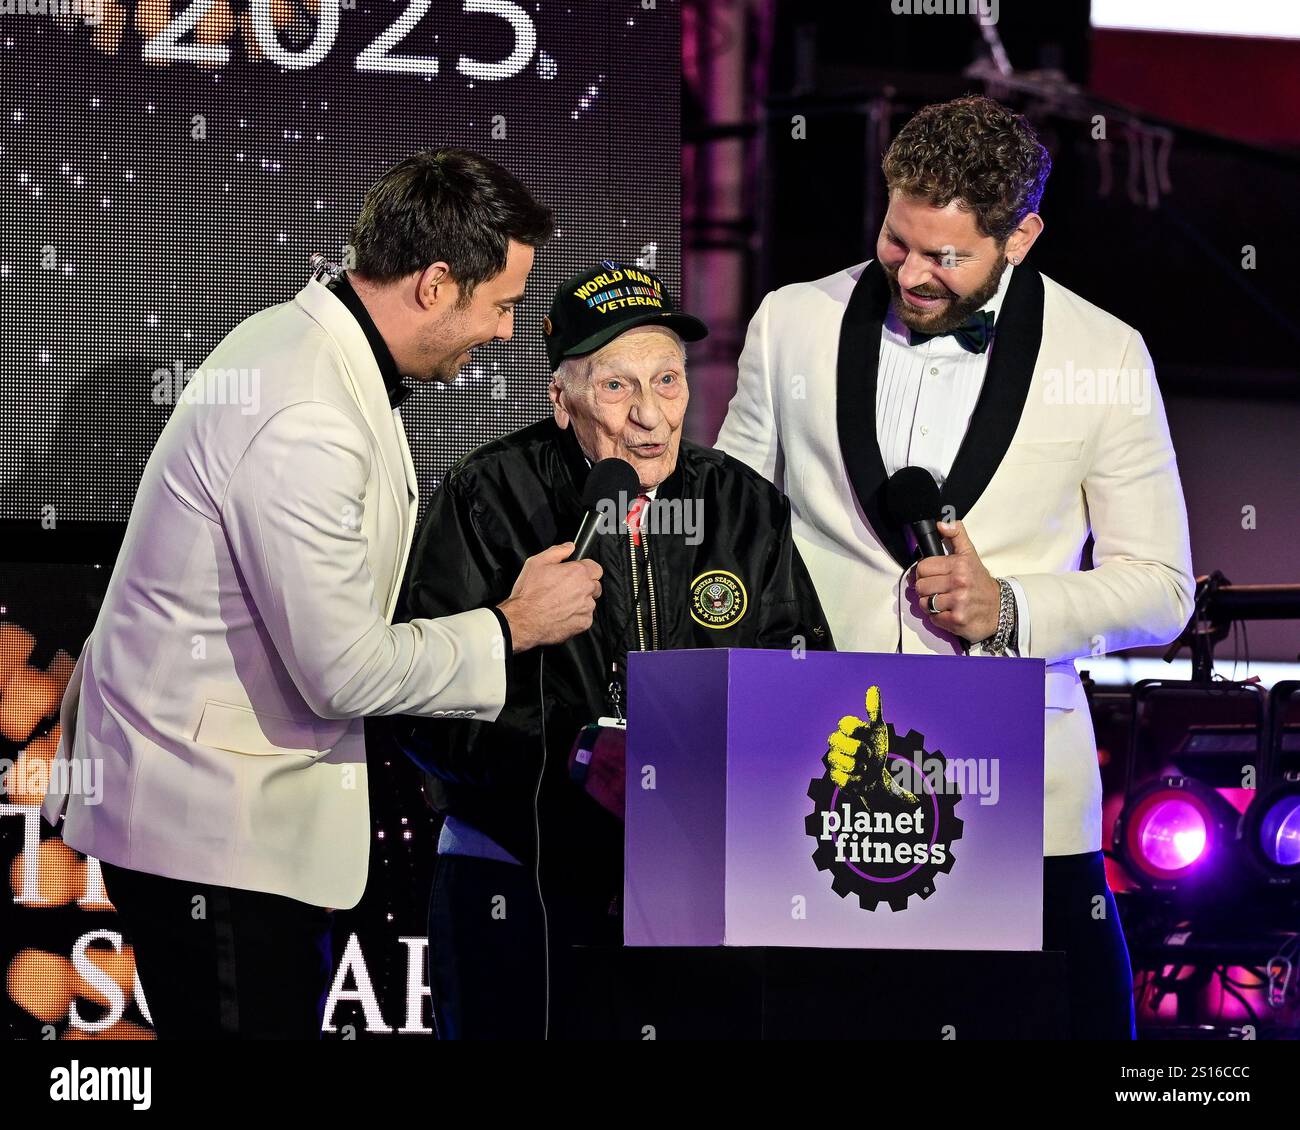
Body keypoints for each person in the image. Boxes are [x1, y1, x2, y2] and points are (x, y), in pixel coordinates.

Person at [41, 149, 603, 1039]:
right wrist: (510, 626)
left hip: (210, 814)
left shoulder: (304, 343)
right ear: (434, 285)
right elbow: (339, 671)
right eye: (500, 306)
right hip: (210, 830)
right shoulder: (307, 411)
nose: (504, 334)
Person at [716, 95, 1195, 1039]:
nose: (913, 273)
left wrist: (1008, 607)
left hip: (1016, 791)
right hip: (812, 778)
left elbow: (1164, 589)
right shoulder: (790, 322)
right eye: (898, 240)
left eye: (947, 257)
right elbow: (731, 532)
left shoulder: (1107, 354)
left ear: (1022, 236)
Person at [397, 261, 834, 1039]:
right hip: (519, 884)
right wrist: (573, 755)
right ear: (559, 400)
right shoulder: (486, 496)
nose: (650, 418)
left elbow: (805, 685)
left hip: (706, 888)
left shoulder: (741, 504)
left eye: (667, 381)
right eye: (615, 388)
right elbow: (422, 708)